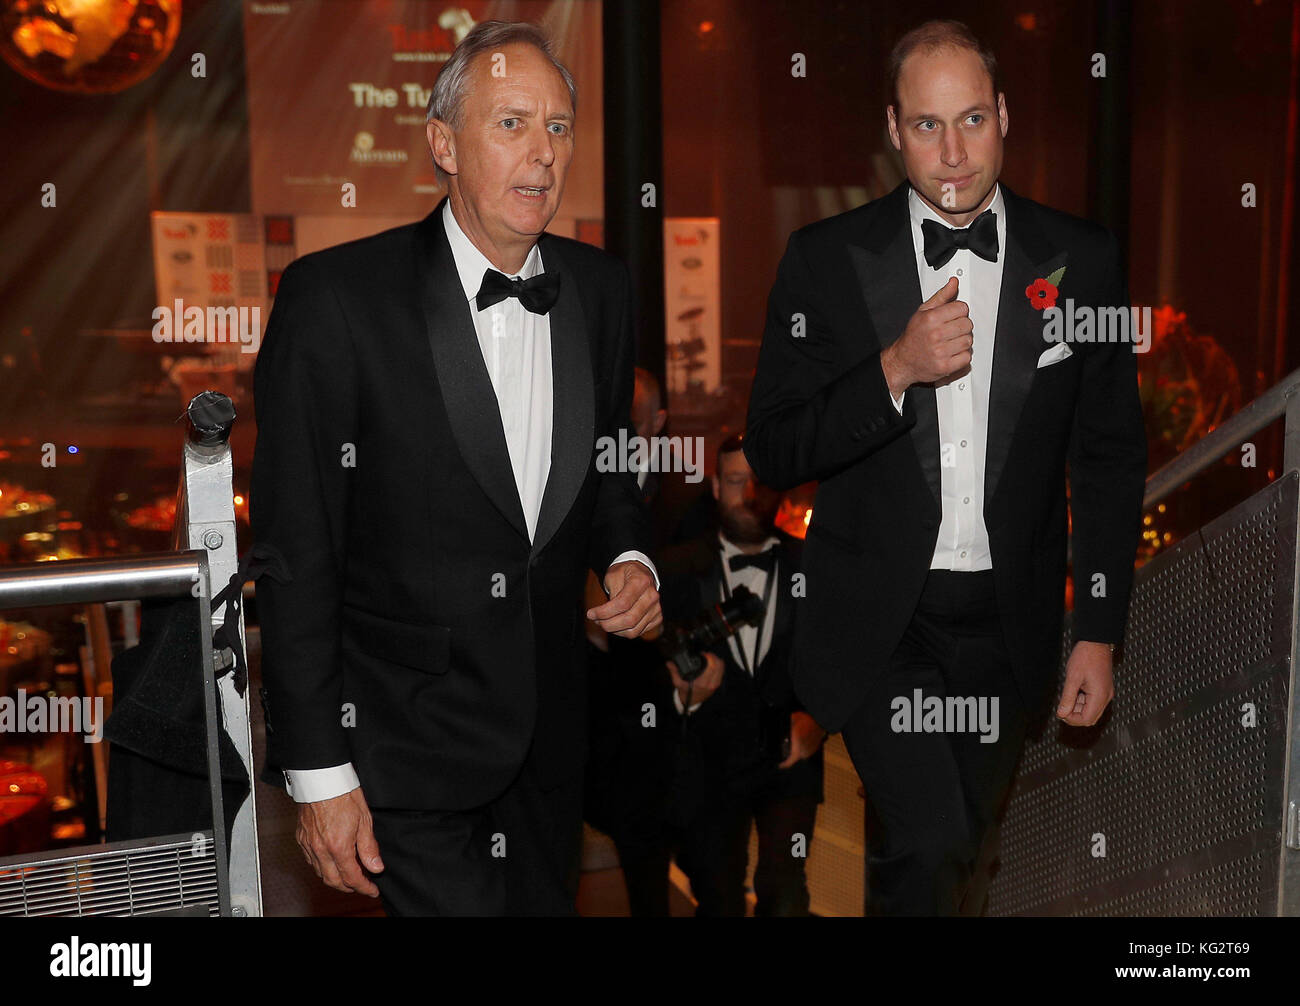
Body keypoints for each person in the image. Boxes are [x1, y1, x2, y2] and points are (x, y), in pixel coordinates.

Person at [250, 20, 661, 916]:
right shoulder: (335, 300)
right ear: (442, 143)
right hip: (402, 751)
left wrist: (631, 557)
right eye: (511, 123)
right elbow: (294, 553)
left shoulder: (599, 290)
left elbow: (610, 465)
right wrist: (318, 770)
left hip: (551, 752)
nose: (543, 154)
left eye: (558, 128)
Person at [743, 19, 1146, 915]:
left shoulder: (1081, 259)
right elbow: (771, 446)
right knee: (933, 842)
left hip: (1011, 624)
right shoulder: (825, 262)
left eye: (972, 119)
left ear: (1004, 115)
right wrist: (893, 368)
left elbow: (1111, 455)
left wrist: (1100, 626)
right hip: (887, 625)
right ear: (893, 130)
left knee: (964, 857)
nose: (954, 151)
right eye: (928, 125)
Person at [658, 435, 825, 916]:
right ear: (714, 487)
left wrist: (818, 721)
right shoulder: (673, 569)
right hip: (709, 766)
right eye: (735, 481)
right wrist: (684, 697)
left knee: (784, 889)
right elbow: (640, 671)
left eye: (759, 481)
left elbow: (840, 661)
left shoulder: (814, 565)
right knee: (717, 895)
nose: (748, 492)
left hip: (790, 760)